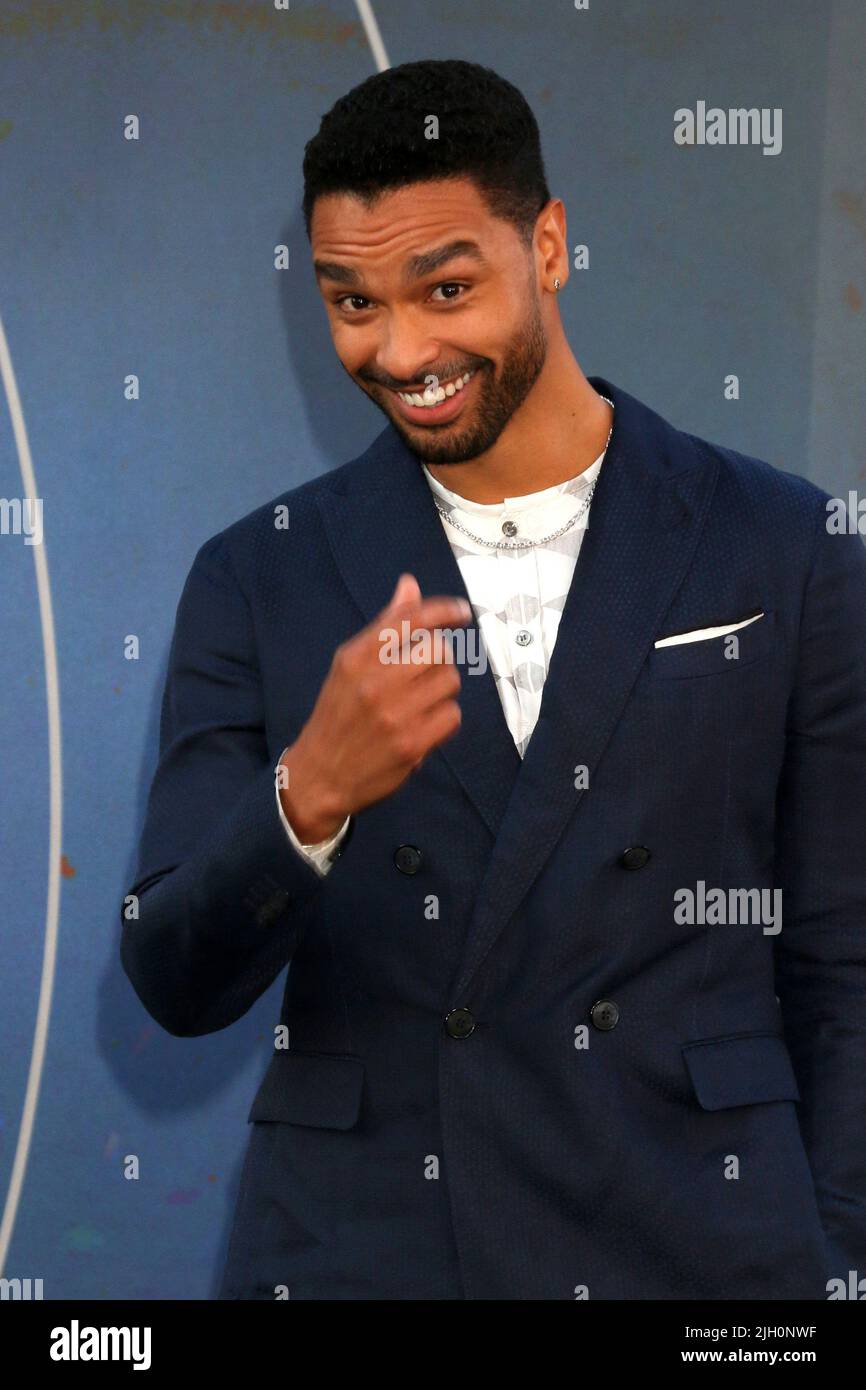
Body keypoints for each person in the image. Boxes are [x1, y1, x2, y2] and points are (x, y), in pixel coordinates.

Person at [121, 59, 866, 1300]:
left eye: (446, 287)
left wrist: (832, 1265)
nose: (402, 348)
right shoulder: (258, 575)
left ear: (552, 245)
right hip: (373, 1255)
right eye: (349, 302)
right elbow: (171, 978)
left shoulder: (780, 548)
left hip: (698, 1257)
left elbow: (842, 962)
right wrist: (307, 798)